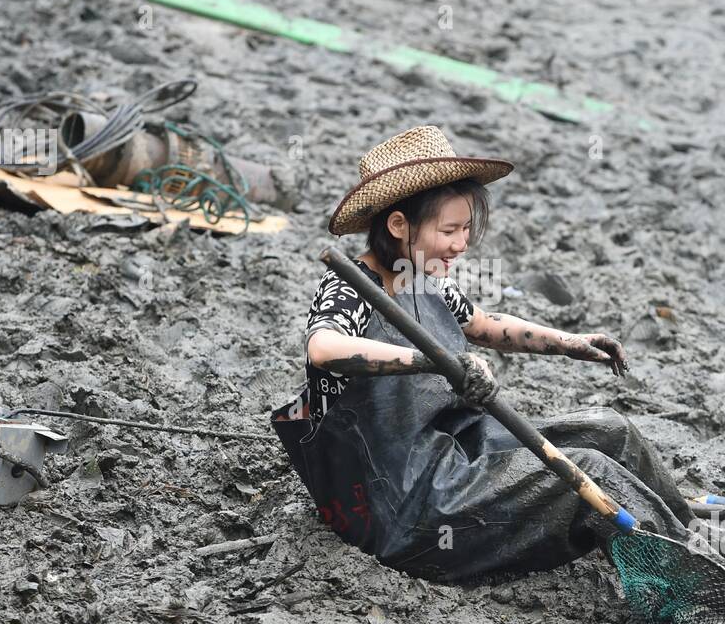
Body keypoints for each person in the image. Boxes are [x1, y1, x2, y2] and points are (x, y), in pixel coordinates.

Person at [270, 125, 700, 582]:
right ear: (398, 225)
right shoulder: (349, 287)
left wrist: (569, 343)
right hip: (408, 507)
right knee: (587, 471)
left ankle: (691, 539)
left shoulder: (422, 276)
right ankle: (688, 579)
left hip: (462, 447)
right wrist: (434, 361)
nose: (461, 244)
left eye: (467, 228)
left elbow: (480, 322)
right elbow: (324, 347)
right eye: (449, 230)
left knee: (610, 432)